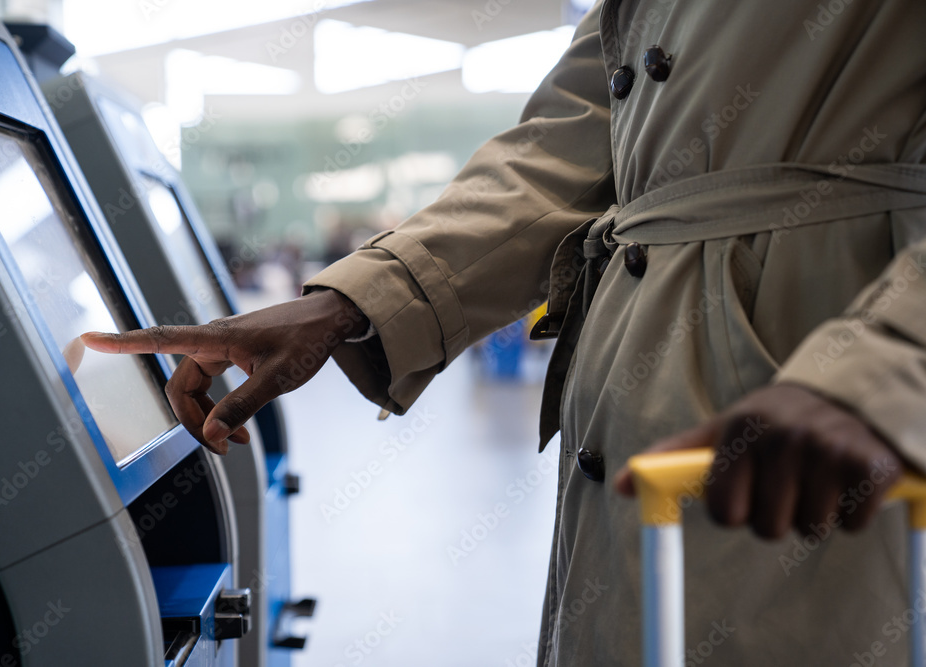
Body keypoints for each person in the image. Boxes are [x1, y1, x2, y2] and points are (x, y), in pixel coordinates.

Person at [83, 0, 926, 663]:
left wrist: (885, 369)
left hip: (830, 393)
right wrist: (351, 300)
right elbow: (561, 148)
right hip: (639, 412)